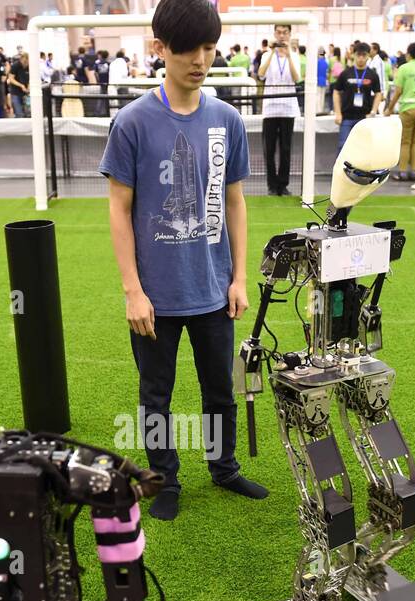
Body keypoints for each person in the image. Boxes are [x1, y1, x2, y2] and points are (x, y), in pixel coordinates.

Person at [98, 0, 267, 522]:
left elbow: (235, 201)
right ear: (160, 49)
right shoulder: (132, 122)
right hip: (157, 295)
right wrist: (133, 290)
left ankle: (224, 467)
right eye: (188, 47)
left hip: (215, 290)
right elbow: (119, 210)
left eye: (208, 47)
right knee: (157, 395)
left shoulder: (226, 120)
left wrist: (239, 277)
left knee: (220, 387)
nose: (200, 58)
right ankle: (163, 478)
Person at [259, 23, 300, 196]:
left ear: (290, 34)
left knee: (285, 148)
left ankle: (283, 184)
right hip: (270, 109)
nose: (282, 36)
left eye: (285, 32)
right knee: (269, 149)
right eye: (279, 32)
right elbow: (261, 74)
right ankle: (271, 185)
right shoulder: (267, 55)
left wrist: (289, 54)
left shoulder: (295, 55)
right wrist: (272, 53)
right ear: (274, 34)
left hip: (288, 108)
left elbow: (297, 78)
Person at [385, 42, 415, 183]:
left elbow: (398, 91)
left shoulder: (403, 68)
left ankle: (403, 172)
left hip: (407, 108)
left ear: (408, 54)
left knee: (405, 142)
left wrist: (389, 108)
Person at [333, 42, 382, 151]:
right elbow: (336, 92)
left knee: (364, 149)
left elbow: (378, 93)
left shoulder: (372, 75)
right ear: (353, 55)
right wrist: (338, 113)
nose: (360, 58)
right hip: (347, 117)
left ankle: (361, 169)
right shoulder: (345, 73)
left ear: (368, 56)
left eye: (363, 55)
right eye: (358, 55)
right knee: (343, 146)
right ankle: (342, 168)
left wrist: (373, 111)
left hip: (365, 117)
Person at [8, 51, 31, 118]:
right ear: (21, 59)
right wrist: (21, 85)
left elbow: (30, 78)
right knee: (19, 112)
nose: (25, 64)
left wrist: (28, 87)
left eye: (27, 62)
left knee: (27, 112)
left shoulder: (29, 66)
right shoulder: (15, 65)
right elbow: (11, 79)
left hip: (26, 93)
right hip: (15, 92)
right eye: (24, 62)